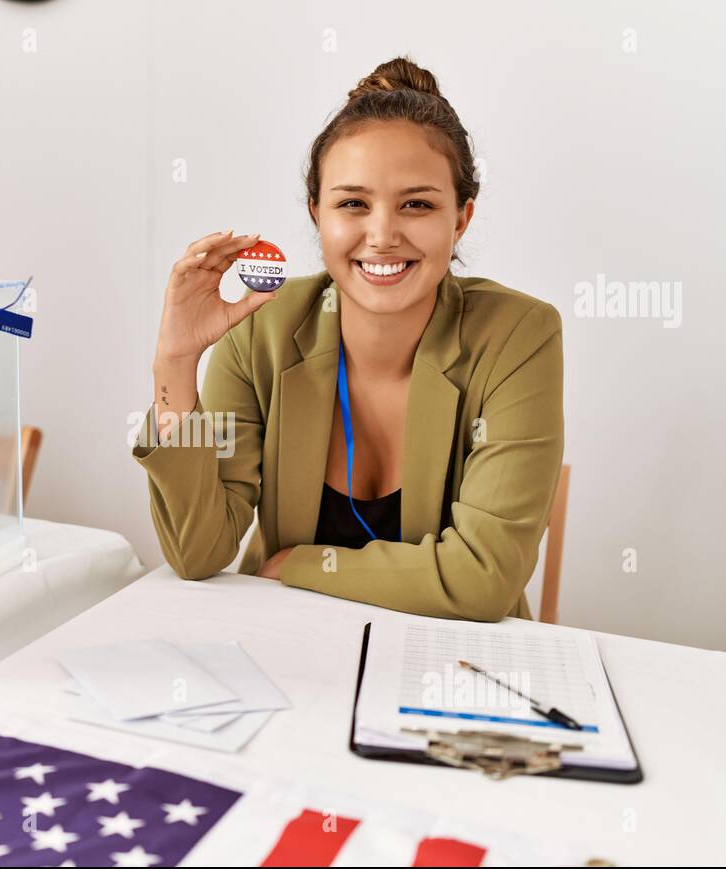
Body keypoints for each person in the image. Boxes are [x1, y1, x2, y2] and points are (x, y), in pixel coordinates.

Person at [131, 55, 564, 622]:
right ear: (318, 214)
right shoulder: (261, 328)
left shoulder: (518, 336)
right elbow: (197, 551)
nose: (382, 235)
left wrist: (302, 565)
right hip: (291, 655)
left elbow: (481, 580)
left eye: (417, 204)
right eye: (353, 203)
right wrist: (176, 362)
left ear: (460, 218)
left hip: (451, 669)